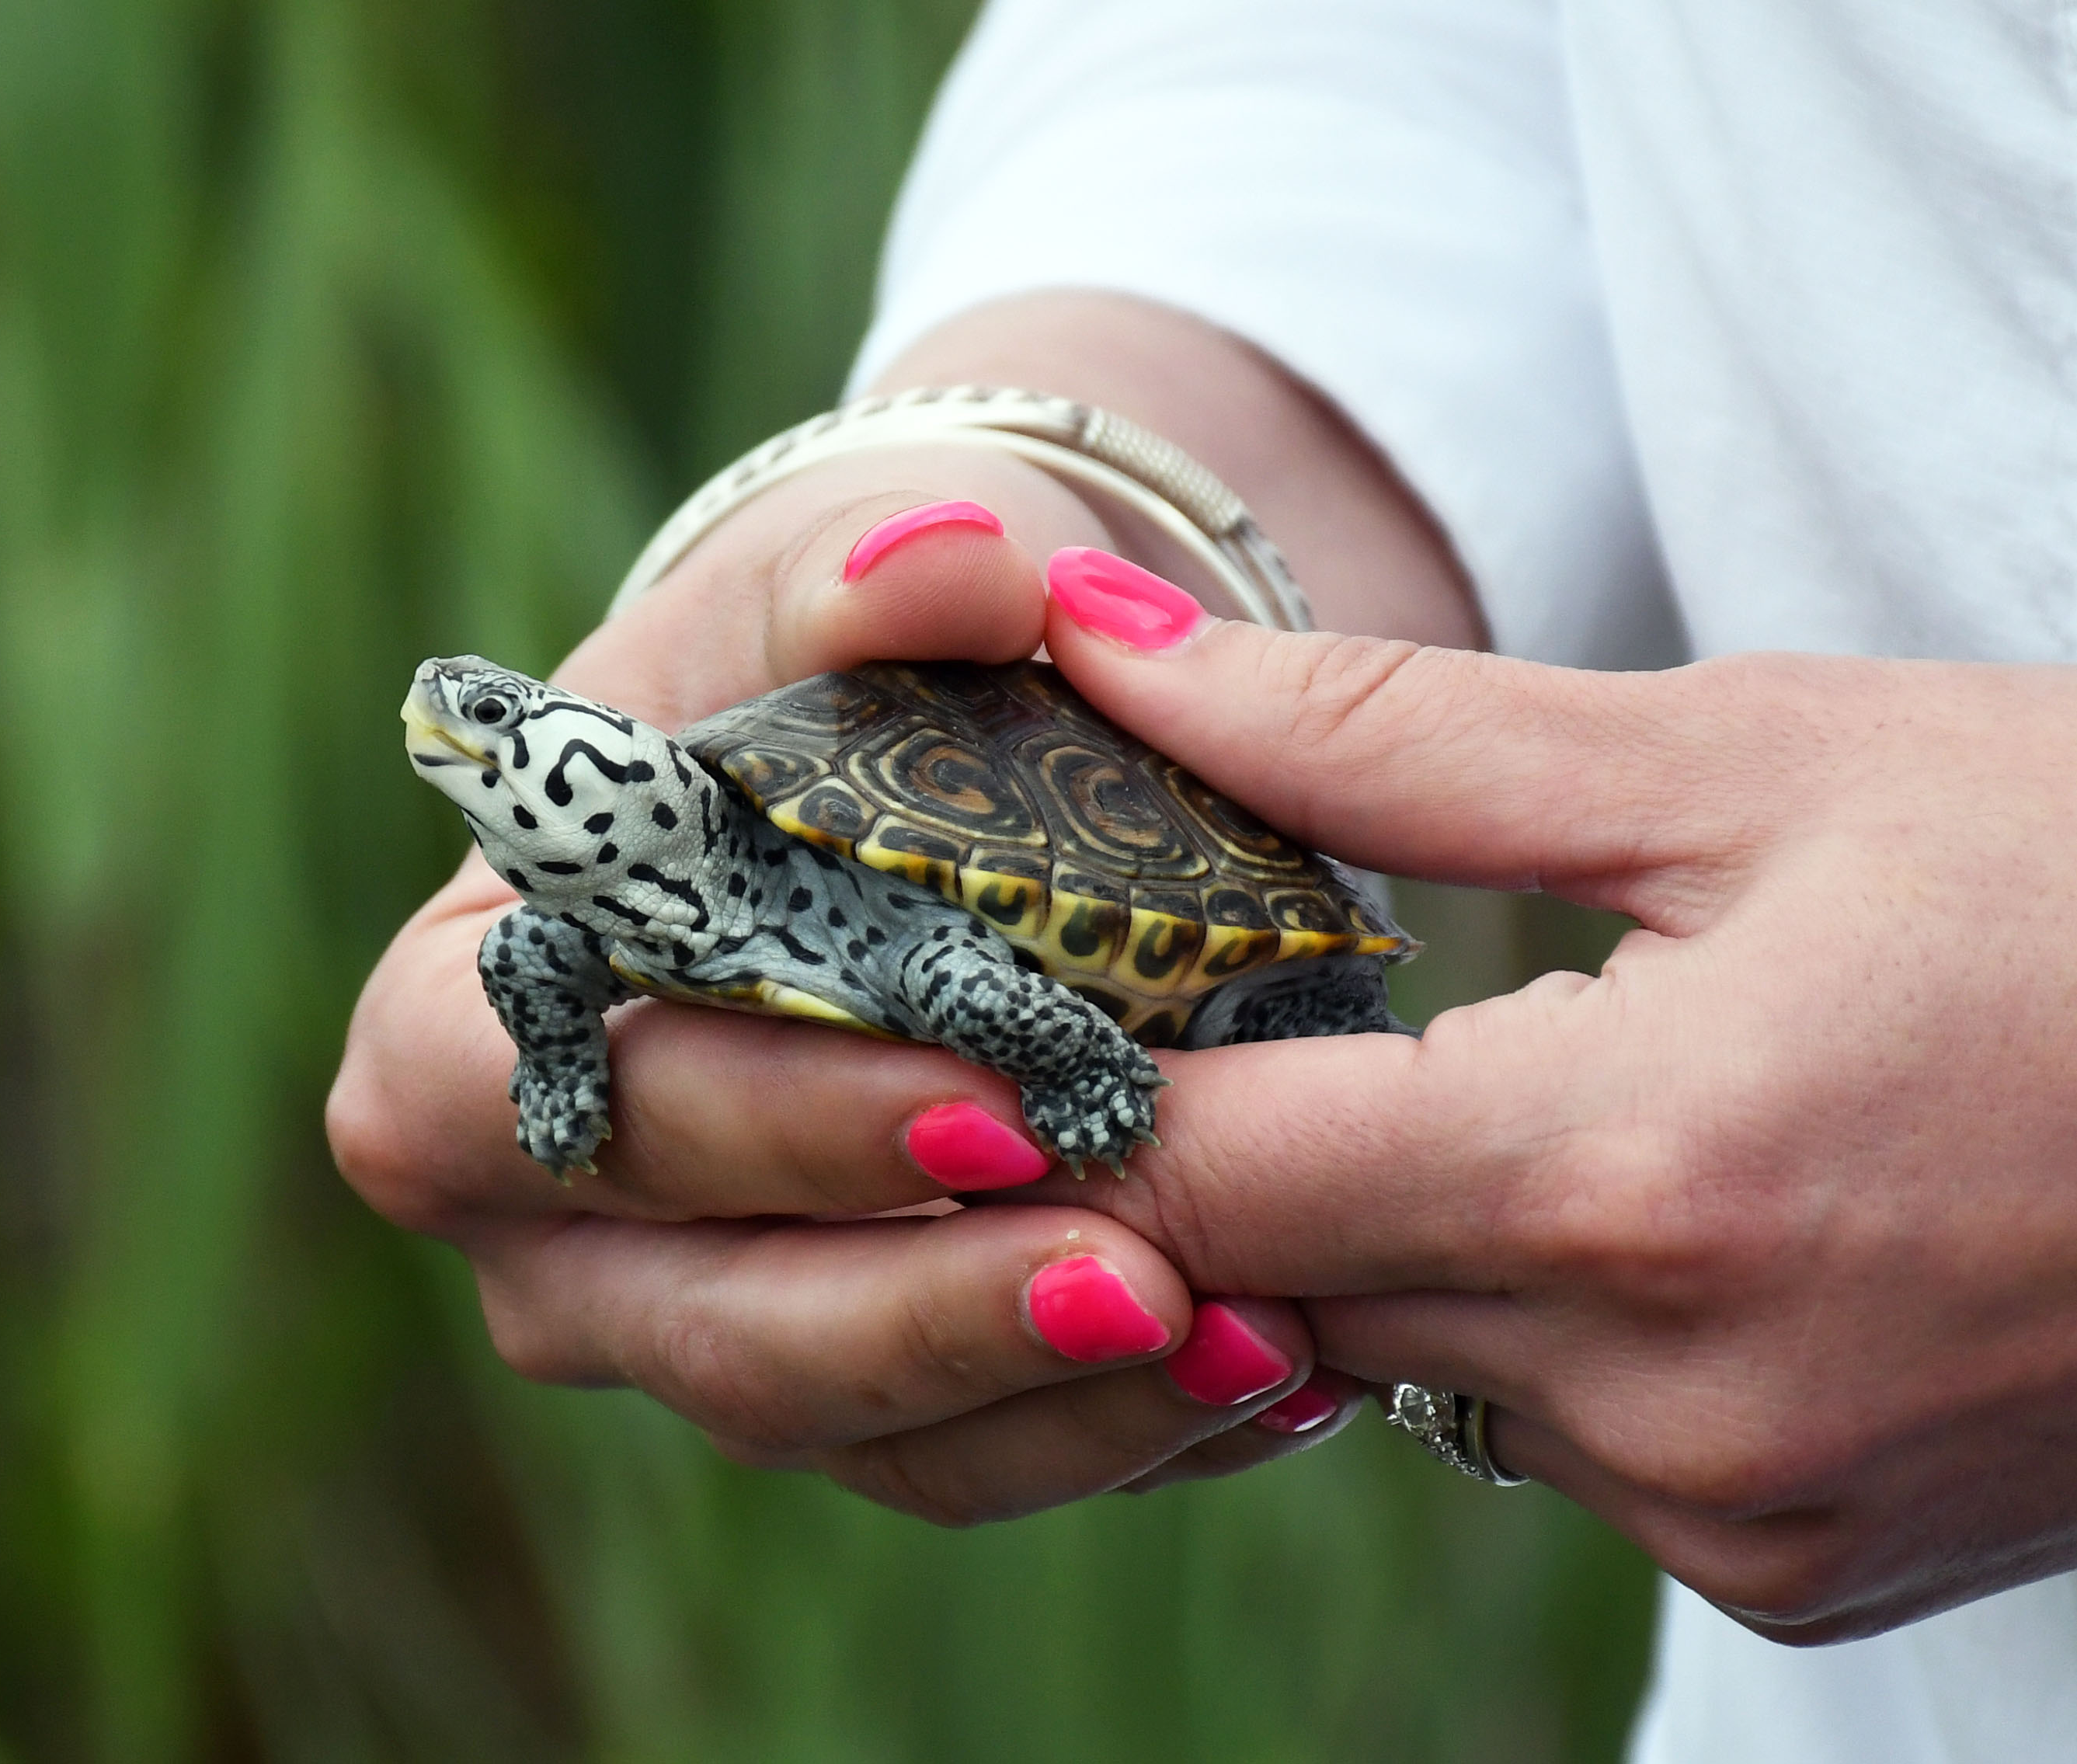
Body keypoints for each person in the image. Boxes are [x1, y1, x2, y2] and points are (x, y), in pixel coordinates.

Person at [329, 2, 2077, 1756]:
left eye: (499, 715)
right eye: (468, 726)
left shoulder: (818, 894)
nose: (458, 720)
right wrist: (1084, 464)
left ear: (602, 767)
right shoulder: (601, 915)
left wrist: (1079, 1066)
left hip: (1156, 920)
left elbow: (949, 972)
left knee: (1044, 1006)